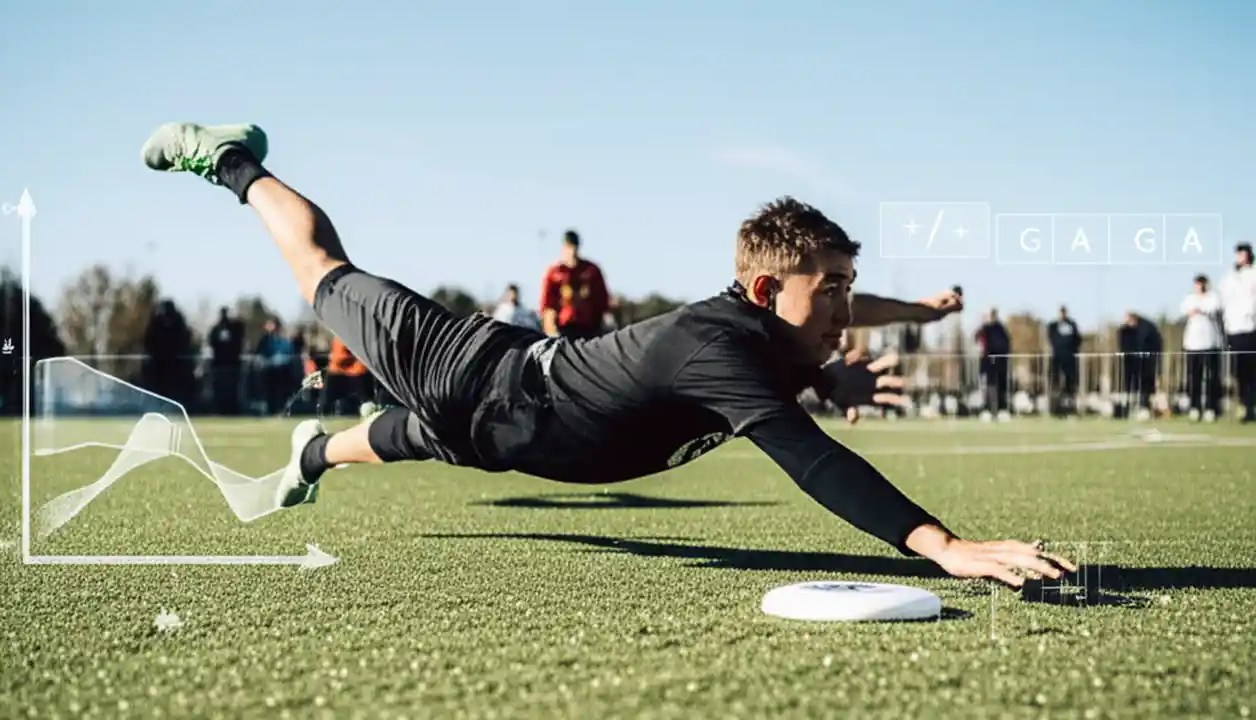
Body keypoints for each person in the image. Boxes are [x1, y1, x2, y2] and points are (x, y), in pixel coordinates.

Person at [139, 121, 1075, 588]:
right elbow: (817, 462)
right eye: (828, 288)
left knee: (405, 440)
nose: (843, 306)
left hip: (522, 427)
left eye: (846, 287)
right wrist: (943, 546)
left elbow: (833, 324)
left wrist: (903, 319)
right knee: (324, 268)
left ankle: (309, 456)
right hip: (477, 373)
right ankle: (230, 161)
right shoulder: (720, 348)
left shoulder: (774, 331)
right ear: (763, 291)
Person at [540, 230, 610, 339]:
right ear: (564, 248)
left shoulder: (591, 271)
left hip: (588, 327)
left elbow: (602, 299)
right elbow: (547, 303)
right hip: (564, 327)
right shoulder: (555, 273)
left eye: (574, 247)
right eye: (569, 247)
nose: (572, 251)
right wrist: (550, 326)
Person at [1218, 243, 1256, 422]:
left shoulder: (1253, 274)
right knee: (1239, 370)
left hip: (1251, 328)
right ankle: (1244, 405)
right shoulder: (1230, 277)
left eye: (1243, 254)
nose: (1240, 257)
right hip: (1234, 328)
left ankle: (1251, 405)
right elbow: (1223, 298)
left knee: (1252, 368)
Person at [1180, 275, 1223, 422]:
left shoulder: (1213, 297)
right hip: (1193, 344)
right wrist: (1195, 310)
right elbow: (1186, 311)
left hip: (1210, 343)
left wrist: (1199, 309)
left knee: (1211, 377)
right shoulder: (1189, 299)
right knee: (1194, 377)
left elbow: (1212, 309)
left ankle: (1211, 408)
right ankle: (1195, 407)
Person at [1117, 312, 1162, 420]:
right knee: (1129, 385)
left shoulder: (1147, 327)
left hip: (1146, 362)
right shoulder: (1125, 330)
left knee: (1145, 386)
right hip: (1130, 362)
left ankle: (1144, 407)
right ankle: (1127, 409)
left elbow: (1156, 344)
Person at [974, 309, 1011, 421]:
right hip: (987, 363)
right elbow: (978, 344)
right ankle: (988, 409)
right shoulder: (983, 330)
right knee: (988, 388)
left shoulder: (999, 329)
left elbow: (1004, 346)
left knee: (999, 388)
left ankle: (1000, 410)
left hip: (998, 364)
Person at [208, 306, 245, 415]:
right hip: (220, 364)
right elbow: (212, 342)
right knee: (220, 389)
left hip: (232, 364)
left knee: (232, 389)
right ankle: (219, 409)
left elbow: (239, 341)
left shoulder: (235, 328)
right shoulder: (216, 329)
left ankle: (232, 409)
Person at [1046, 306, 1081, 417]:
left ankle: (1070, 407)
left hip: (1070, 358)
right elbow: (1050, 338)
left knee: (1070, 383)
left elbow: (1078, 339)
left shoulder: (1072, 324)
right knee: (1055, 382)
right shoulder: (1053, 325)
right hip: (1057, 358)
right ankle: (1056, 407)